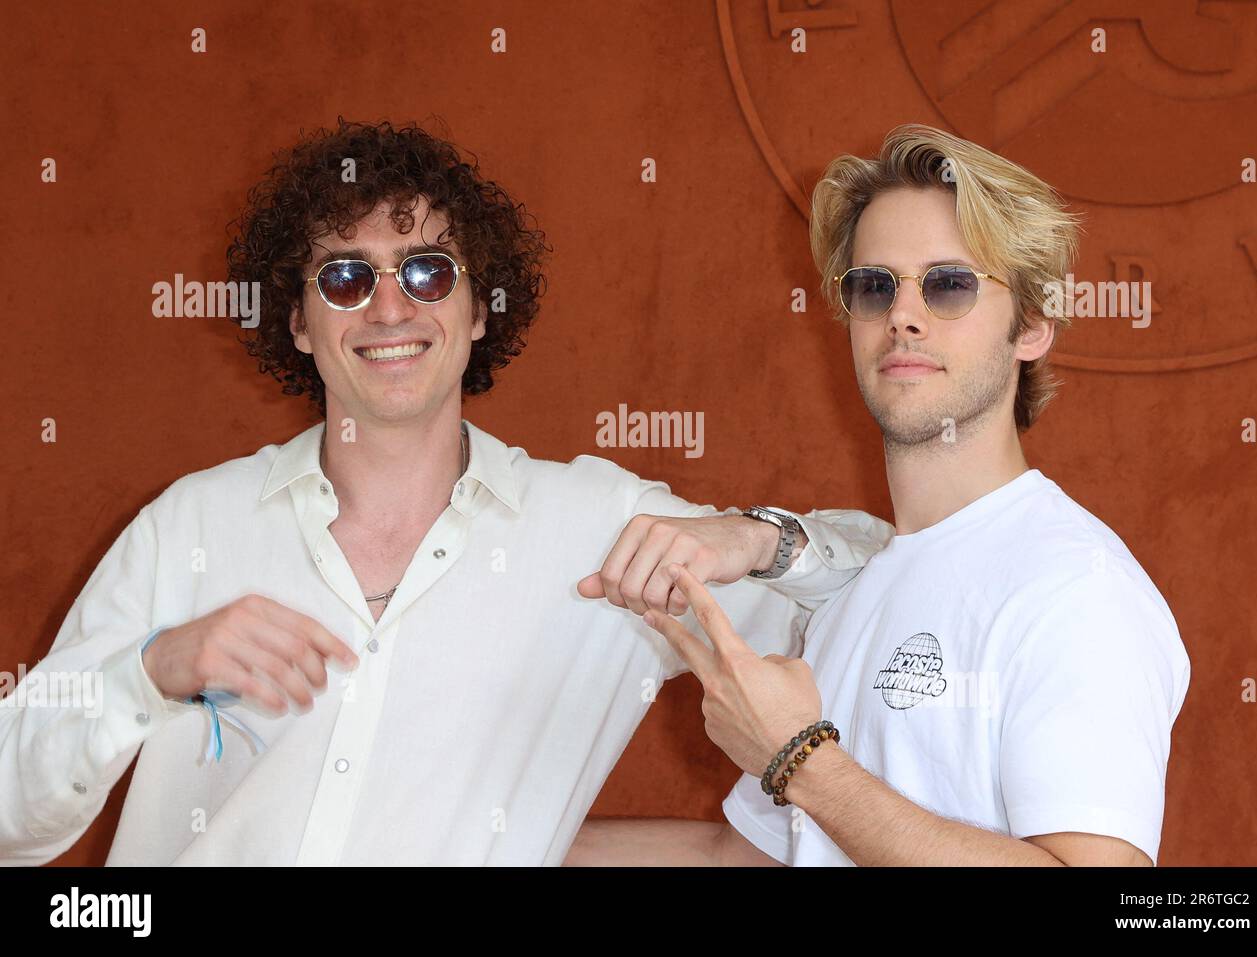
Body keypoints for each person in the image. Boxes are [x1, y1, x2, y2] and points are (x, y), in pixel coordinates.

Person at [0, 119, 892, 866]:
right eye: (345, 276)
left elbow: (891, 590)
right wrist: (151, 671)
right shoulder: (186, 527)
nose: (390, 308)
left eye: (427, 270)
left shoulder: (603, 530)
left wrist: (759, 539)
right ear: (301, 323)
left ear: (476, 309)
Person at [565, 124, 1192, 867]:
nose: (903, 312)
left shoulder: (1077, 589)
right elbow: (738, 860)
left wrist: (799, 758)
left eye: (949, 283)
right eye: (875, 285)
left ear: (1030, 327)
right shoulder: (860, 592)